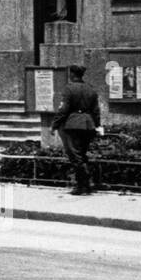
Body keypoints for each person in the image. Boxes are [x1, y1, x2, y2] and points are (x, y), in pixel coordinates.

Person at [51, 65, 102, 195]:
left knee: (75, 156)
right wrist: (97, 125)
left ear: (72, 75)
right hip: (88, 124)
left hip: (73, 125)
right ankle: (86, 185)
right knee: (82, 154)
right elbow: (96, 111)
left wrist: (55, 124)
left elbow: (64, 109)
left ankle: (83, 185)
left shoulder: (69, 89)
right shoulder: (91, 89)